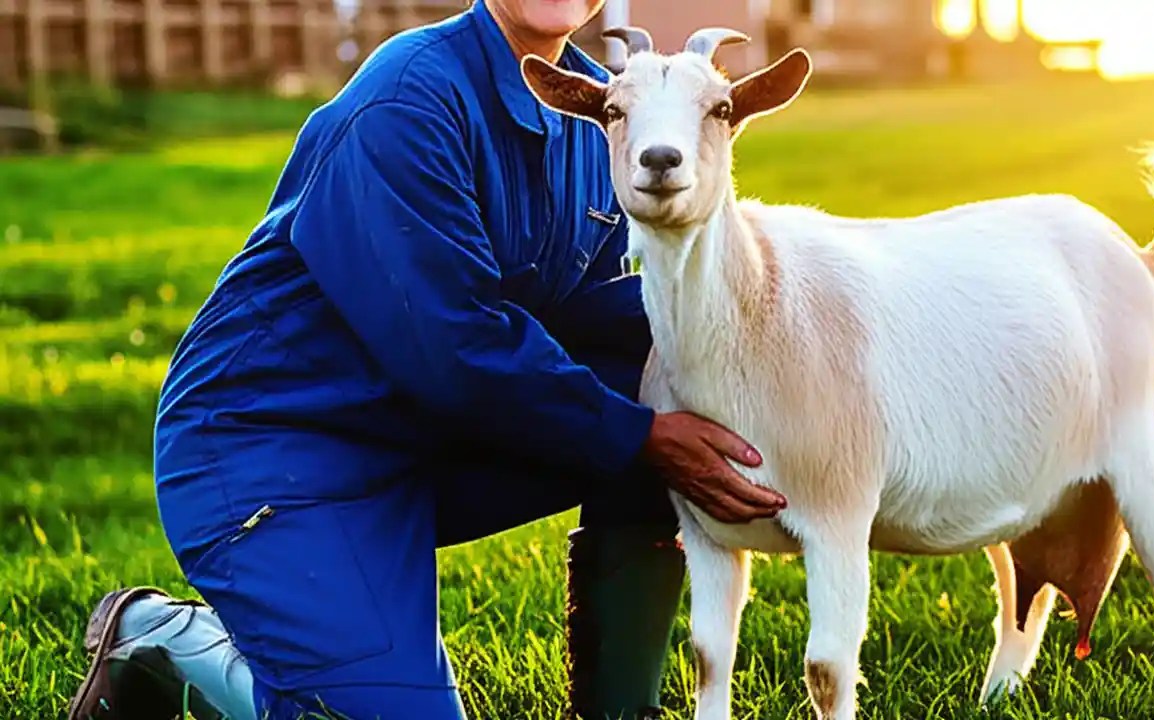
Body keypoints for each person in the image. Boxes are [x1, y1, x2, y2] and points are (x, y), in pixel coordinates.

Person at [65, 1, 788, 719]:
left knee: (667, 379)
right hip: (277, 451)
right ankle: (165, 642)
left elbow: (627, 318)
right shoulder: (411, 93)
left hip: (430, 437)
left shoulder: (604, 113)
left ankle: (622, 710)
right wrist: (641, 436)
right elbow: (453, 343)